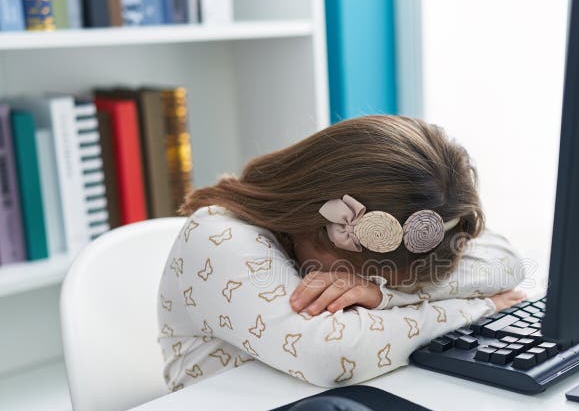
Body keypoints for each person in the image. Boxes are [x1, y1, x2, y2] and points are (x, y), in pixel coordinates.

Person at [158, 115, 526, 391]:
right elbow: (330, 354)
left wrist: (385, 295)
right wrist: (482, 308)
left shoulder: (424, 220)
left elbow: (506, 263)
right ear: (316, 225)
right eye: (366, 276)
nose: (366, 288)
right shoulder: (217, 236)